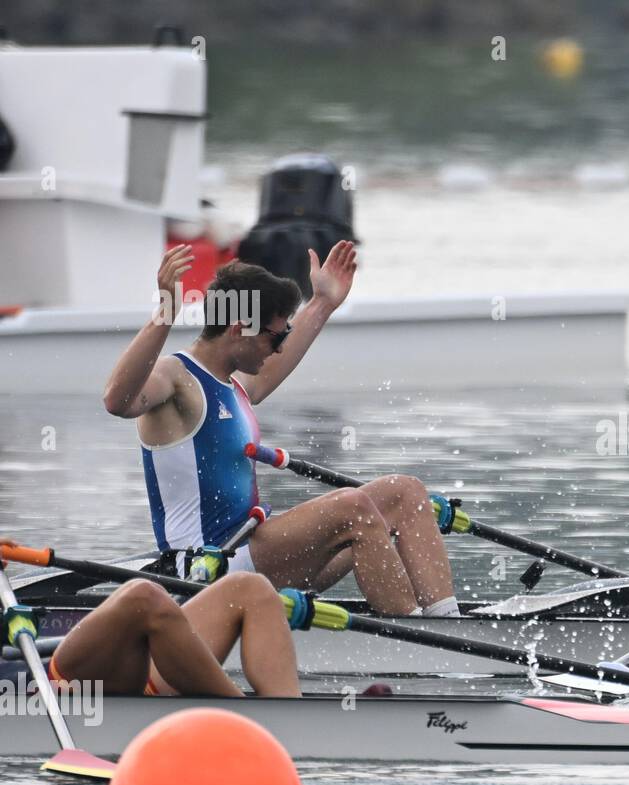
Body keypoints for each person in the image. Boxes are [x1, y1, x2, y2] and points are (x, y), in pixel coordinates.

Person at [102, 242, 457, 618]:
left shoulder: (236, 386)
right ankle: (418, 638)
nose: (280, 347)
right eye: (276, 337)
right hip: (202, 571)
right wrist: (165, 313)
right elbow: (117, 401)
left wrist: (322, 302)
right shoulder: (176, 379)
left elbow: (274, 361)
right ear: (240, 329)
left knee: (405, 493)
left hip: (250, 550)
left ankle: (446, 620)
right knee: (352, 507)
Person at [0, 540, 299, 697]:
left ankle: (291, 725)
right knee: (143, 598)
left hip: (109, 675)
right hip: (46, 689)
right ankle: (249, 720)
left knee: (249, 588)